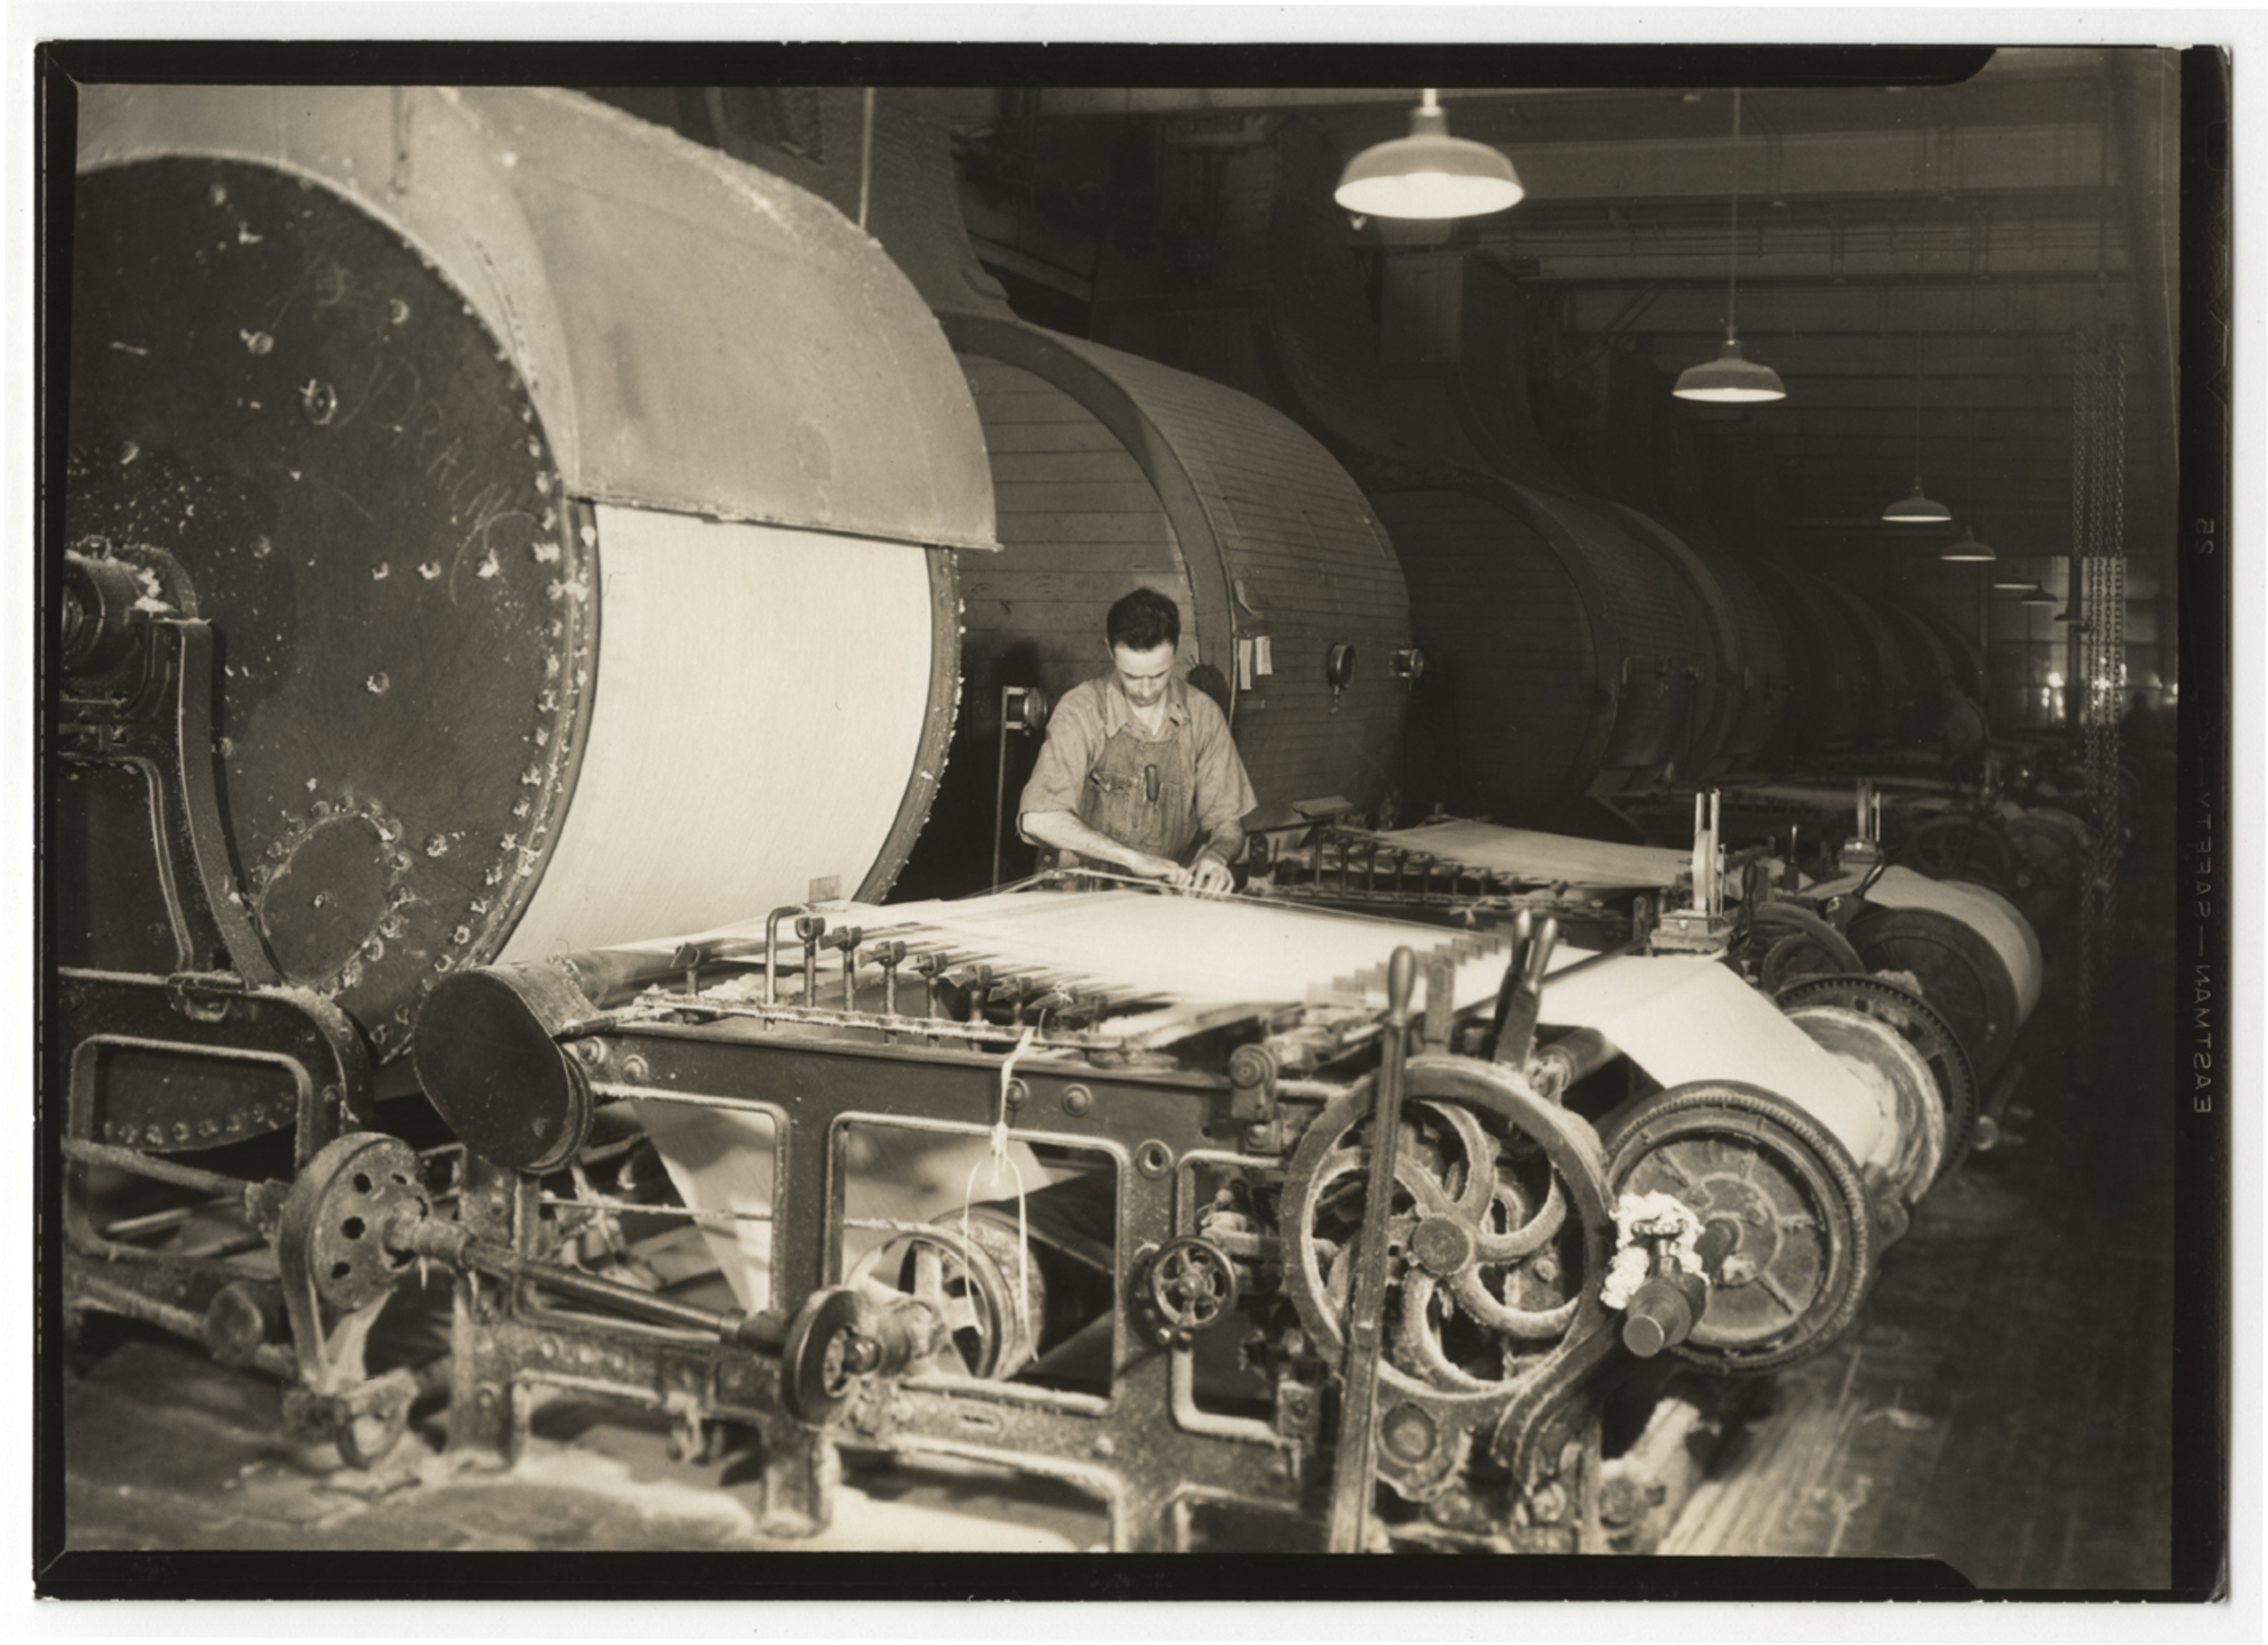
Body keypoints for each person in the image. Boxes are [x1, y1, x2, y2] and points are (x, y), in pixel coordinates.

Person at [1017, 586, 1257, 893]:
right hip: (1076, 900)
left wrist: (1215, 856)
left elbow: (1228, 822)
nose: (1145, 690)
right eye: (1131, 676)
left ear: (1175, 650)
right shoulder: (1080, 711)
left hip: (1159, 903)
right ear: (1109, 650)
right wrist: (1133, 859)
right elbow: (1038, 818)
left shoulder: (1203, 716)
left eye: (1158, 675)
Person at [1939, 677, 1989, 787]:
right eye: (1942, 690)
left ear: (1961, 690)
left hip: (1966, 764)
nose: (1945, 693)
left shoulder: (1963, 710)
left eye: (1949, 689)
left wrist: (1953, 759)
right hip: (1970, 761)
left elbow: (1976, 739)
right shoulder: (1967, 706)